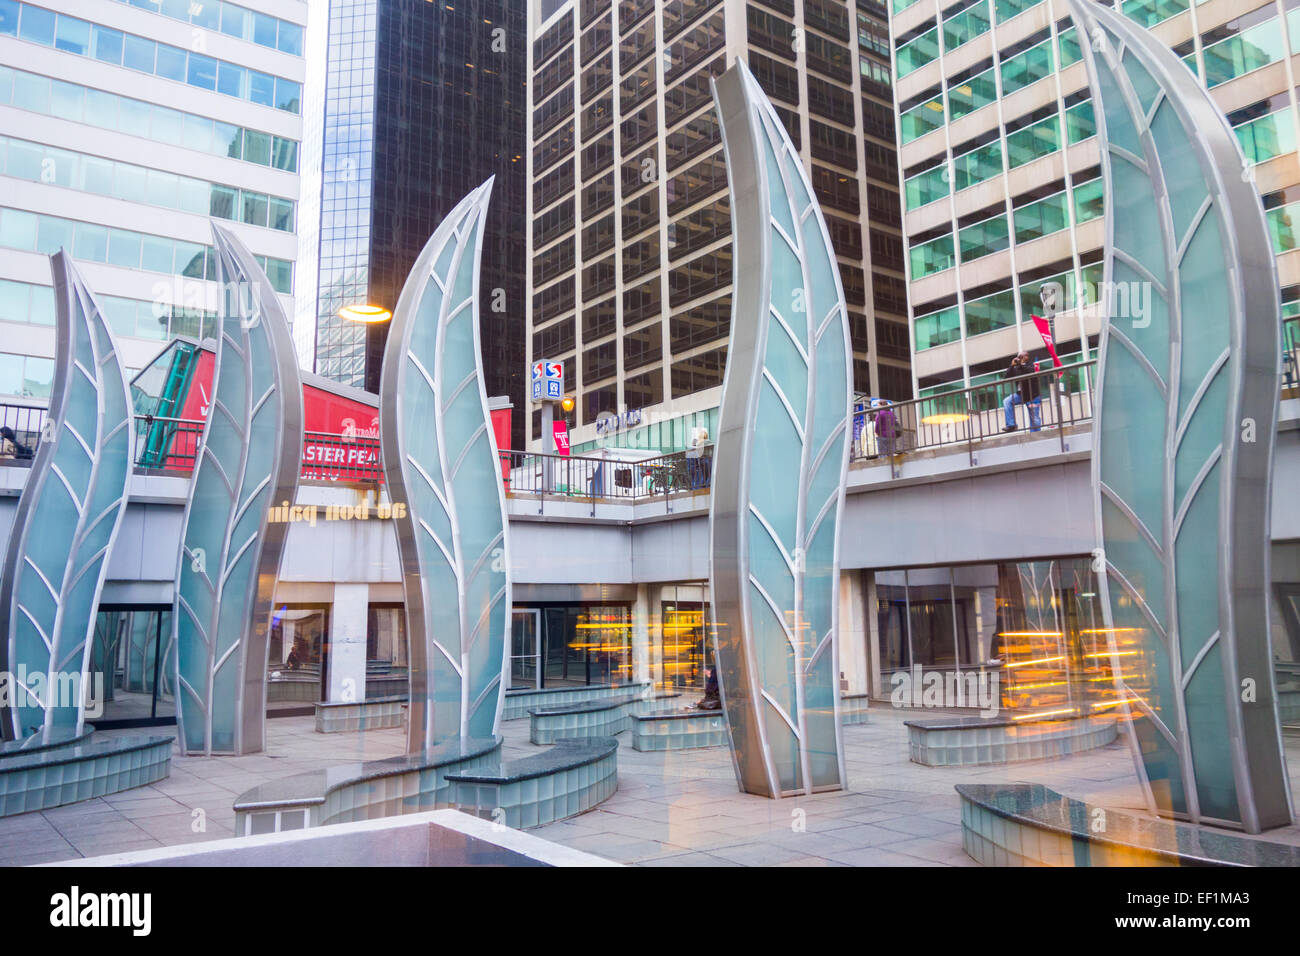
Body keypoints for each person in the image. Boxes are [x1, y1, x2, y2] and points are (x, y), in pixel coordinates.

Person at [1002, 351, 1042, 432]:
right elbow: (1006, 377)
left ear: (1027, 357)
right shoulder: (1016, 368)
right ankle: (1011, 425)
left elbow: (1029, 372)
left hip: (1033, 396)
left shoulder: (1031, 365)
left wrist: (1021, 365)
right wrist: (1011, 366)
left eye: (1023, 356)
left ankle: (1036, 435)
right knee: (1007, 401)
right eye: (1019, 357)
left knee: (1035, 418)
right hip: (1021, 395)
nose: (1021, 358)